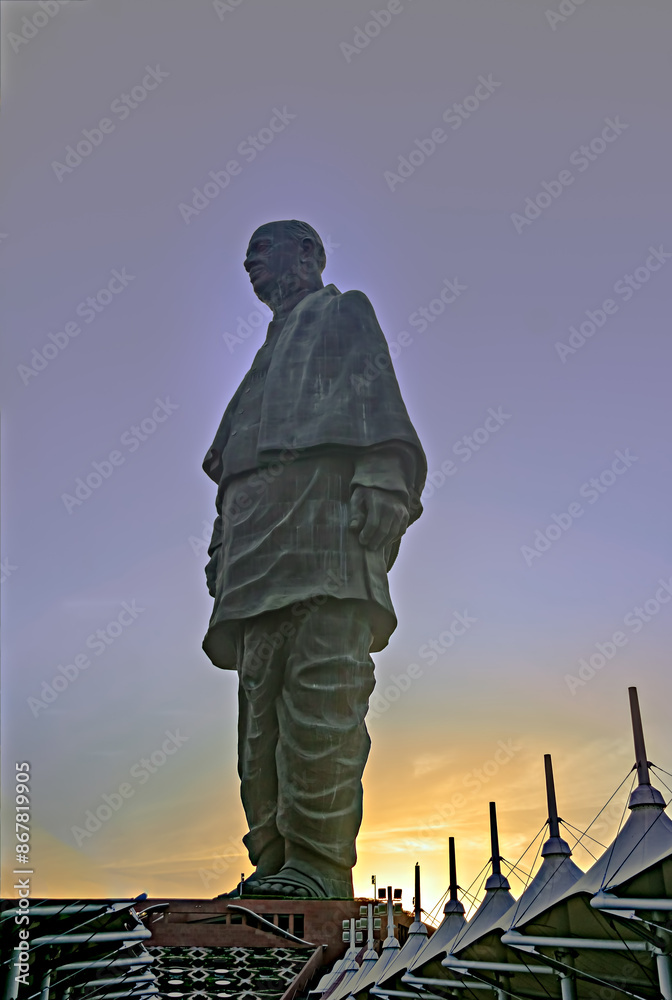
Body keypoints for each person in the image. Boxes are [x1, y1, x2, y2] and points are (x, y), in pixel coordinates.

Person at [202, 220, 426, 898]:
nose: (250, 265)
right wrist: (221, 543)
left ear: (309, 254)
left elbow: (378, 400)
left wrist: (384, 476)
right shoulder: (262, 359)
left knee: (321, 693)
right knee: (259, 717)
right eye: (246, 259)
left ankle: (318, 865)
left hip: (323, 529)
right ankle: (275, 860)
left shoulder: (342, 312)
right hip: (258, 546)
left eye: (262, 251)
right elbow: (231, 465)